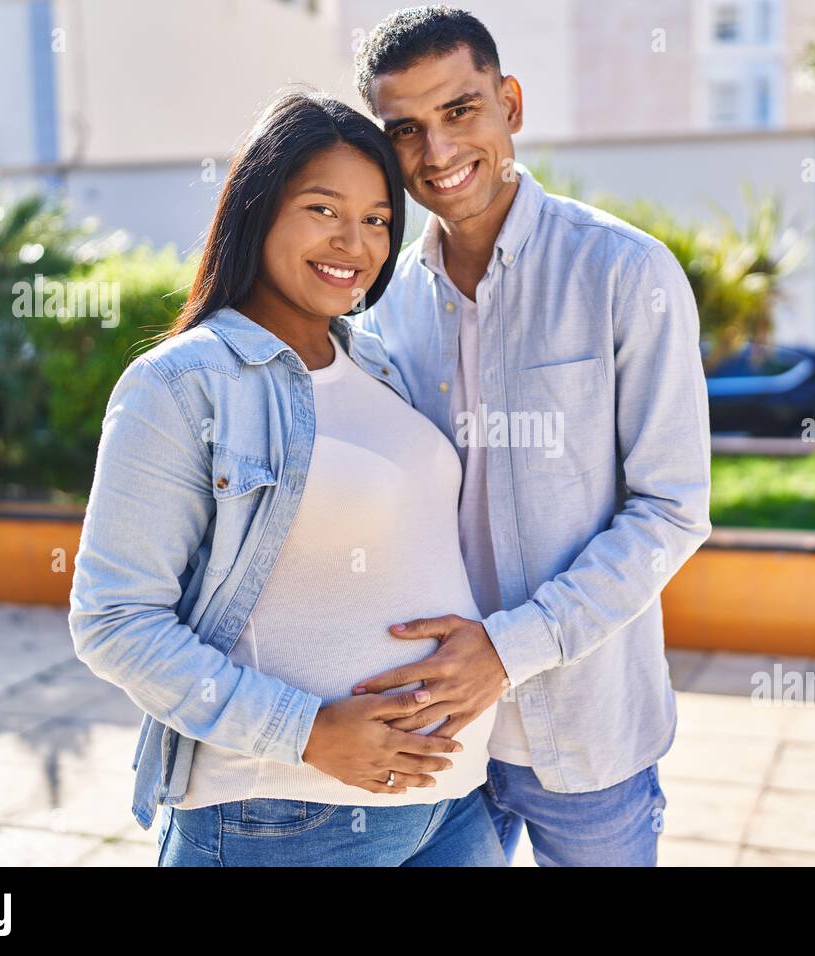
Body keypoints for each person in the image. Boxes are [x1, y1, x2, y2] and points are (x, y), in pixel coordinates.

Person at [67, 89, 504, 866]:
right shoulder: (183, 383)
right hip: (286, 817)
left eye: (376, 219)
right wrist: (304, 732)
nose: (355, 241)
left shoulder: (375, 365)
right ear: (258, 209)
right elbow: (115, 619)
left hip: (453, 809)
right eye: (322, 209)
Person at [352, 6, 713, 866]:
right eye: (405, 129)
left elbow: (671, 511)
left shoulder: (625, 273)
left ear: (510, 102)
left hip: (589, 741)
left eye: (460, 111)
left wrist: (507, 654)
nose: (437, 153)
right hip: (440, 738)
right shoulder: (383, 301)